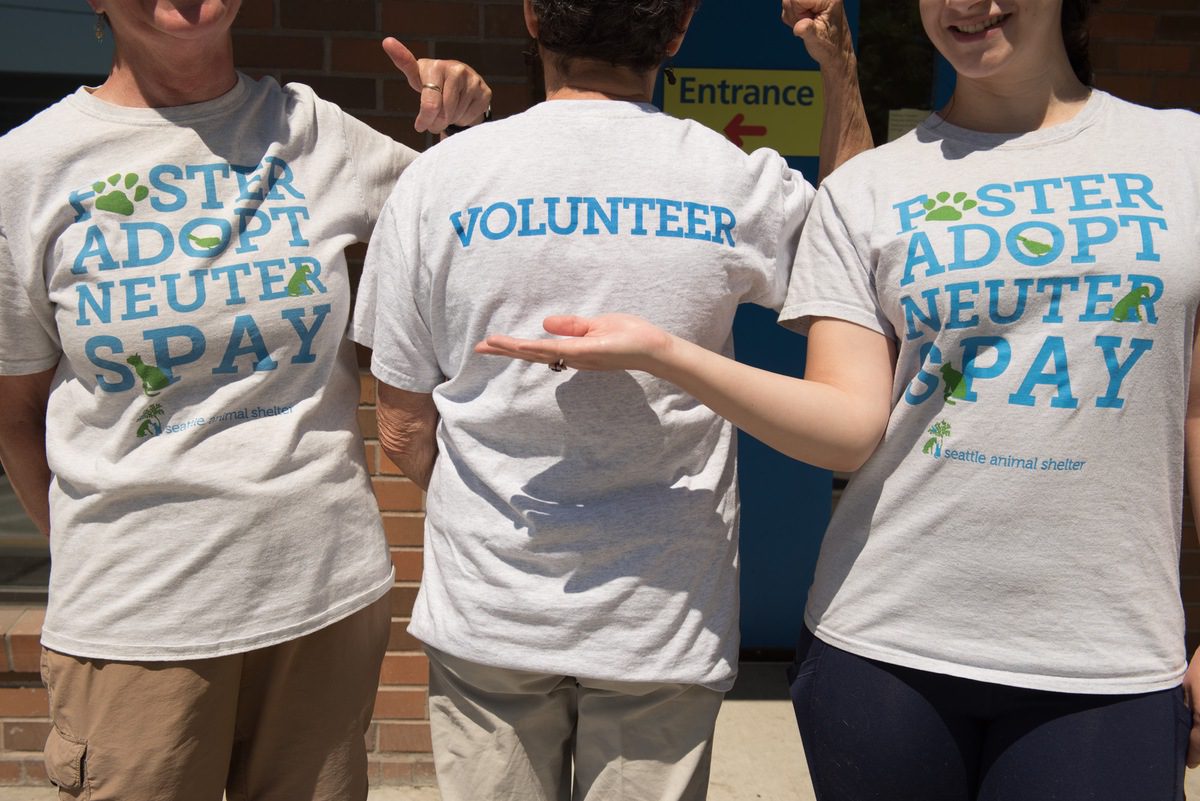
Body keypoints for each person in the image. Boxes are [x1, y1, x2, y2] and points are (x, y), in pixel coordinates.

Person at [476, 0, 1200, 799]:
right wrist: (664, 353)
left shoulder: (1181, 152)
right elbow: (850, 427)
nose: (968, 3)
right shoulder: (870, 187)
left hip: (1107, 655)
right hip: (885, 646)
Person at [352, 1, 870, 798]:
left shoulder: (439, 180)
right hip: (662, 617)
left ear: (532, 18)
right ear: (677, 32)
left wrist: (483, 505)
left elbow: (399, 425)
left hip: (491, 608)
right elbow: (851, 262)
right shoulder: (733, 176)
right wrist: (840, 74)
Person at [0, 1, 492, 799]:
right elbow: (14, 416)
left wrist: (461, 122)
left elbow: (475, 221)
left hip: (321, 600)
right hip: (134, 624)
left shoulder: (315, 130)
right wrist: (97, 553)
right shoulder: (26, 168)